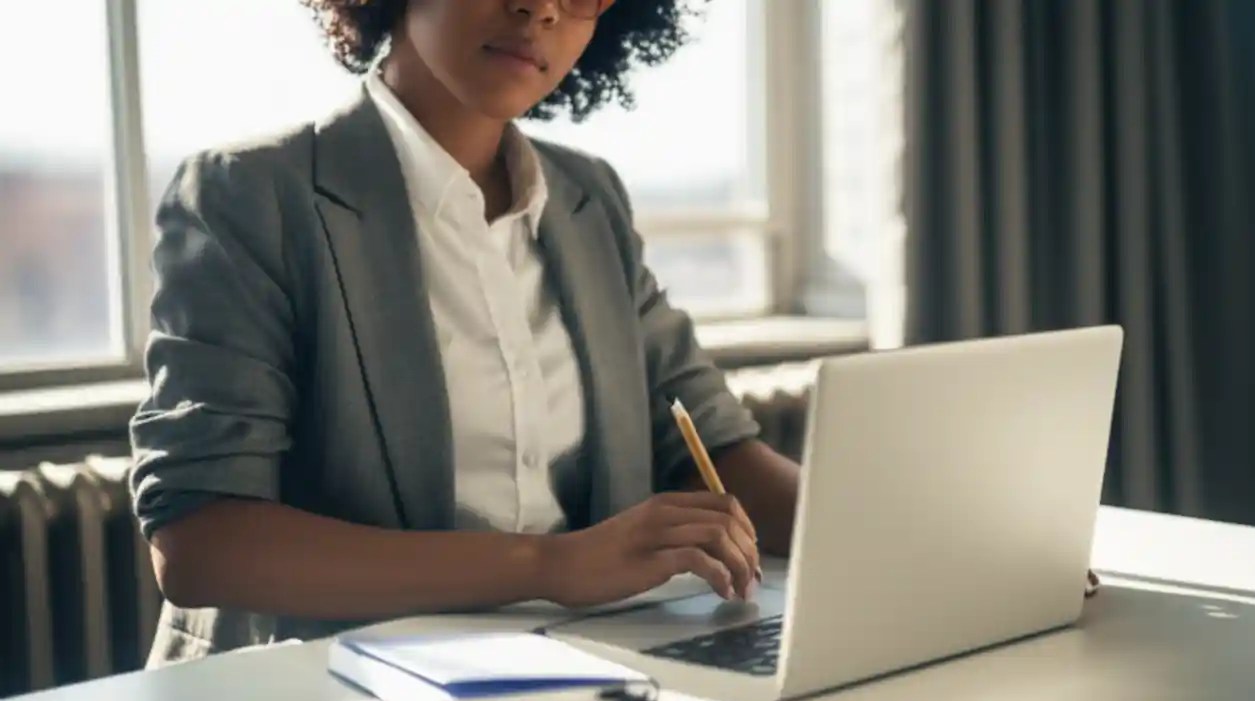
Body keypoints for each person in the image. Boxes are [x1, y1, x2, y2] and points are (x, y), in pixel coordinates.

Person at [129, 0, 801, 666]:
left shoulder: (587, 199)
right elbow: (200, 543)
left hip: (580, 669)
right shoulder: (249, 195)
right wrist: (548, 565)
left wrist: (885, 530)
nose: (538, 9)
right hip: (325, 680)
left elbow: (708, 445)